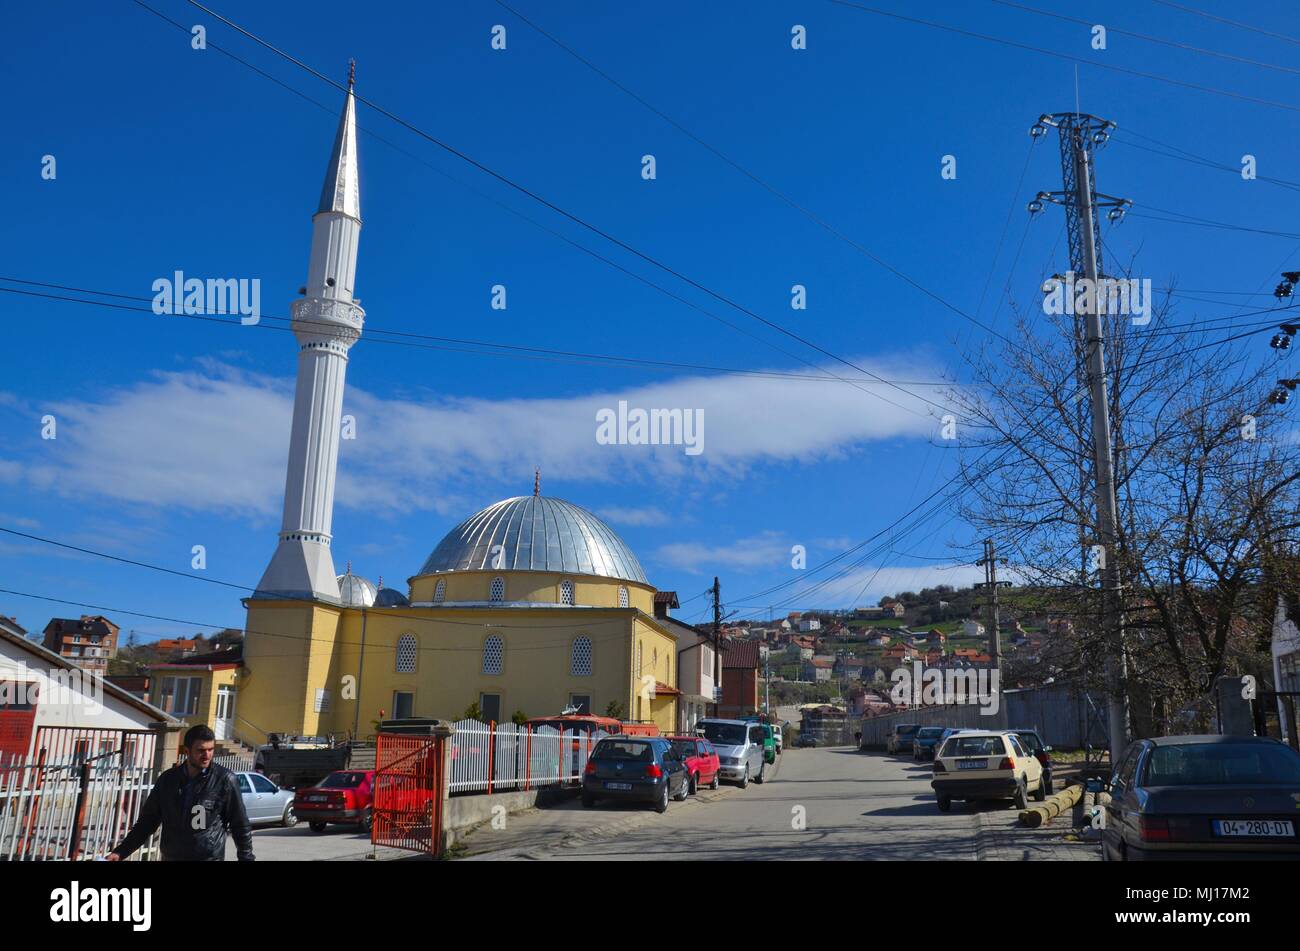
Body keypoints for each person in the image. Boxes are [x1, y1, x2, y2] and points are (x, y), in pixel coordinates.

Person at [107, 724, 254, 862]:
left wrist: (246, 857)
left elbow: (240, 824)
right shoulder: (167, 780)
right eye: (201, 750)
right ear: (187, 751)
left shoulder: (225, 780)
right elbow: (147, 822)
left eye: (210, 749)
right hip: (171, 856)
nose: (207, 755)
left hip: (207, 858)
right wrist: (121, 852)